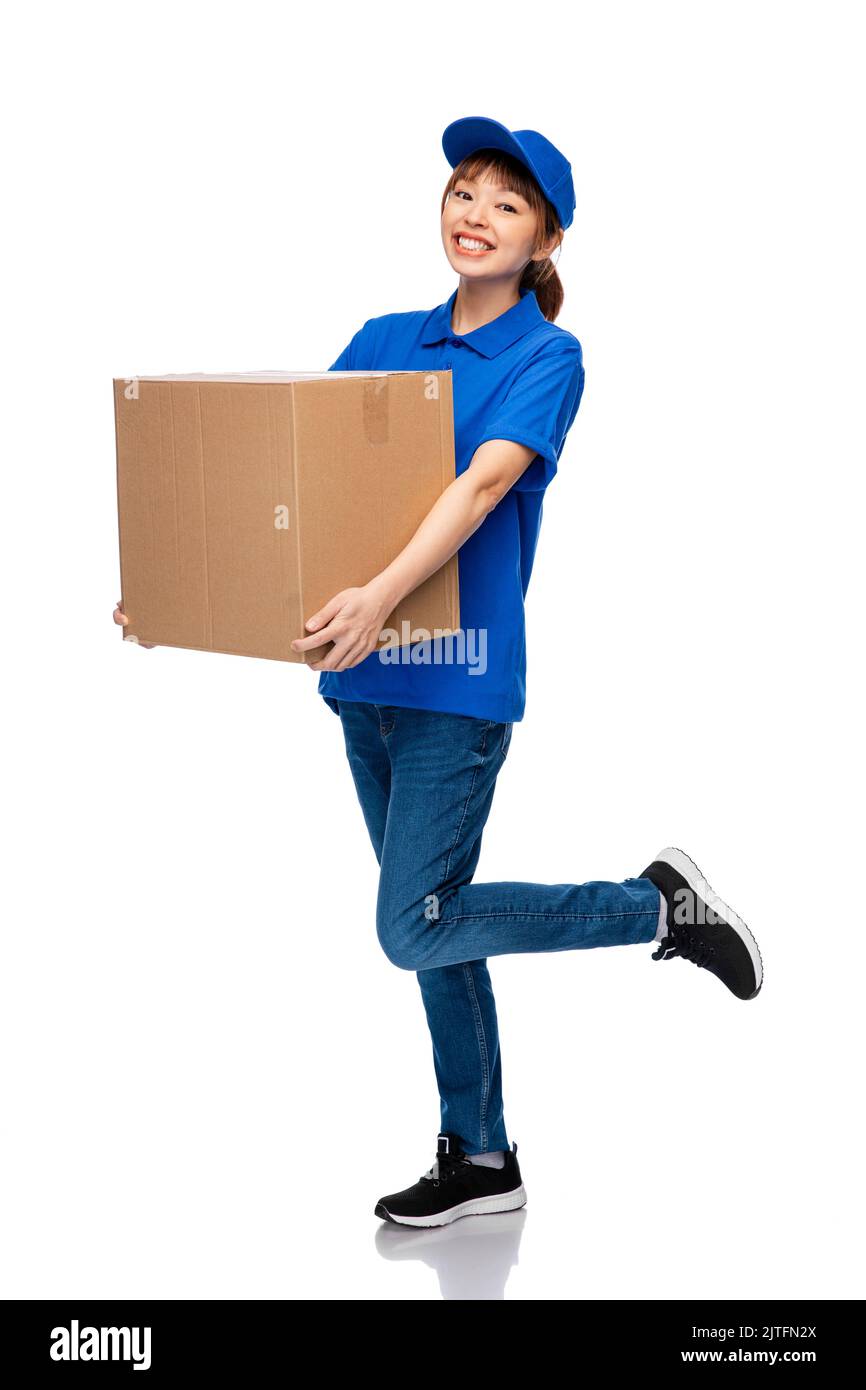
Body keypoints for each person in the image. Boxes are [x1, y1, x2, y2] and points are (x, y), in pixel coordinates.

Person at [115, 116, 763, 1231]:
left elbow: (474, 492)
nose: (472, 214)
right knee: (441, 920)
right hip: (363, 682)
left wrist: (377, 595)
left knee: (412, 923)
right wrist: (179, 594)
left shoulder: (545, 358)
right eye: (462, 191)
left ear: (544, 240)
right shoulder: (380, 335)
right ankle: (481, 1154)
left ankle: (650, 906)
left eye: (504, 204)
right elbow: (297, 488)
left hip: (455, 683)